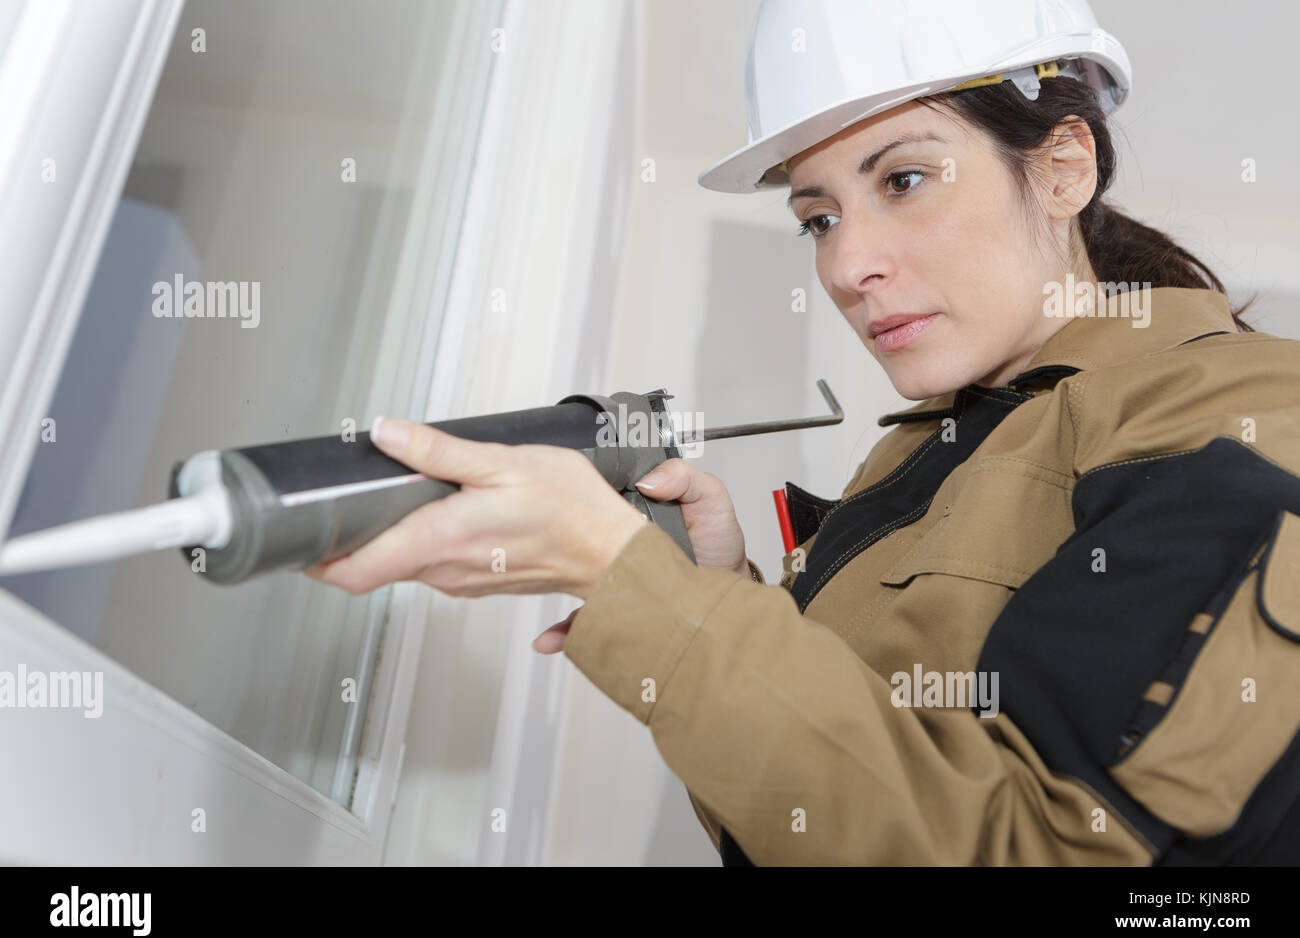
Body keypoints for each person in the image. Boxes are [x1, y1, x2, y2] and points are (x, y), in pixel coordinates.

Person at [306, 0, 1300, 865]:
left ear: (1060, 166)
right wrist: (712, 596)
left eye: (903, 179)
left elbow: (1040, 847)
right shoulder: (919, 456)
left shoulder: (1249, 418)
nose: (846, 264)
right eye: (817, 217)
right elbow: (815, 821)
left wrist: (638, 592)